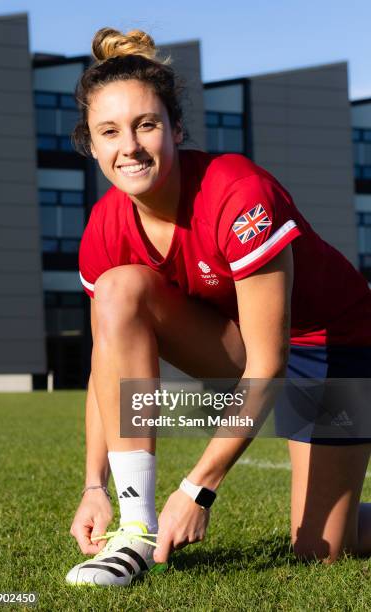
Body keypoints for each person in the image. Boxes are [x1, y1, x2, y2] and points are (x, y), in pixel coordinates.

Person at [65, 27, 371, 587]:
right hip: (239, 345)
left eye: (146, 125)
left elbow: (269, 364)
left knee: (320, 549)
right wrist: (95, 487)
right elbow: (104, 369)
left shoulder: (237, 192)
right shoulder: (104, 227)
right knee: (117, 290)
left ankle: (344, 516)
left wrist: (198, 487)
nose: (128, 147)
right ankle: (134, 533)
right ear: (91, 144)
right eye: (108, 132)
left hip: (334, 347)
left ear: (176, 129)